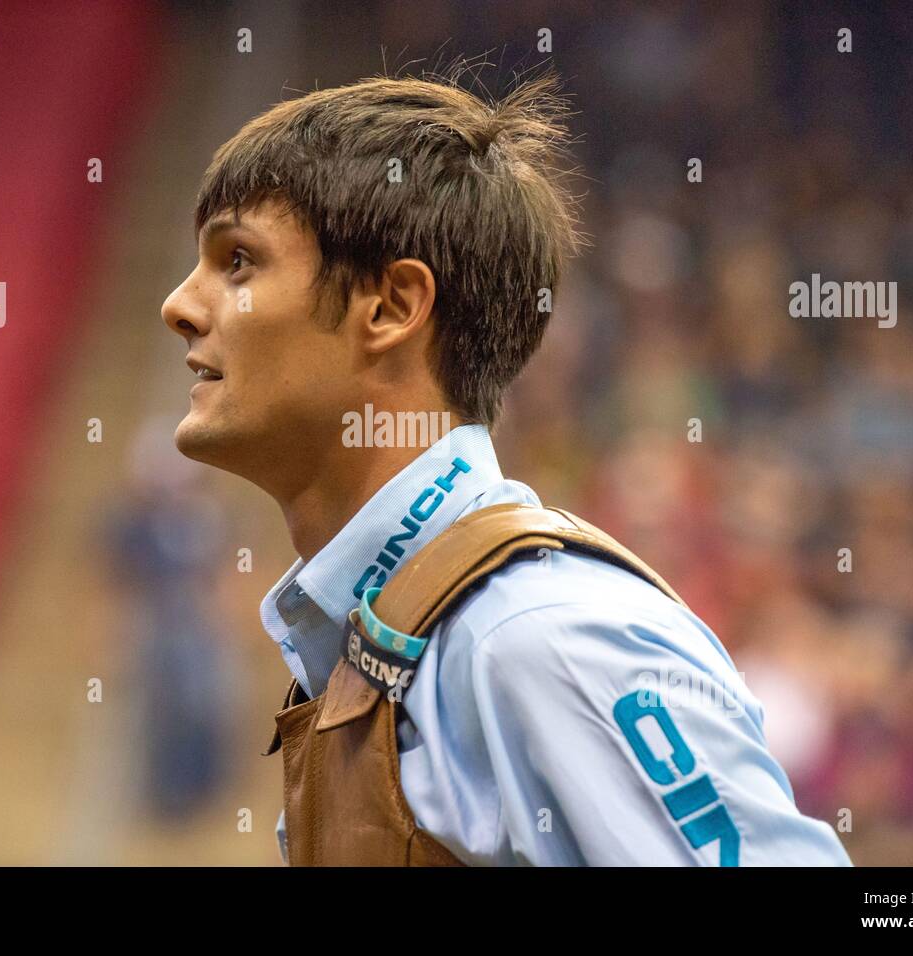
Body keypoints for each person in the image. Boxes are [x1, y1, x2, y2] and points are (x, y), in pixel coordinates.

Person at [160, 69, 852, 866]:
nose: (180, 303)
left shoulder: (542, 640)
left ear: (390, 307)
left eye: (238, 261)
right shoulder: (400, 637)